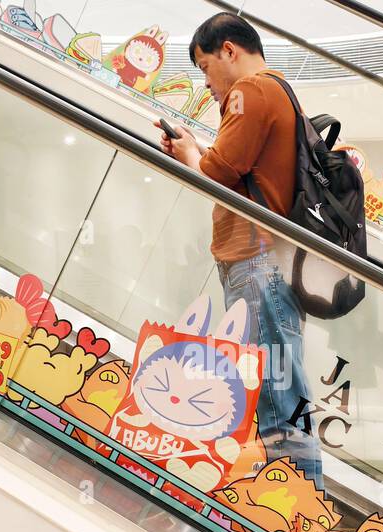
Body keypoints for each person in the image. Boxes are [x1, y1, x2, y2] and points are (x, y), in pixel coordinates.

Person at [157, 12, 322, 487]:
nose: (207, 83)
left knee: (276, 390)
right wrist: (199, 152)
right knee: (278, 386)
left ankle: (296, 507)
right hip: (266, 260)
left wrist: (191, 153)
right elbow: (233, 168)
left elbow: (218, 171)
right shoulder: (277, 92)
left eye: (206, 67)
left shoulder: (252, 91)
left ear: (229, 49)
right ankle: (292, 498)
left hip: (258, 260)